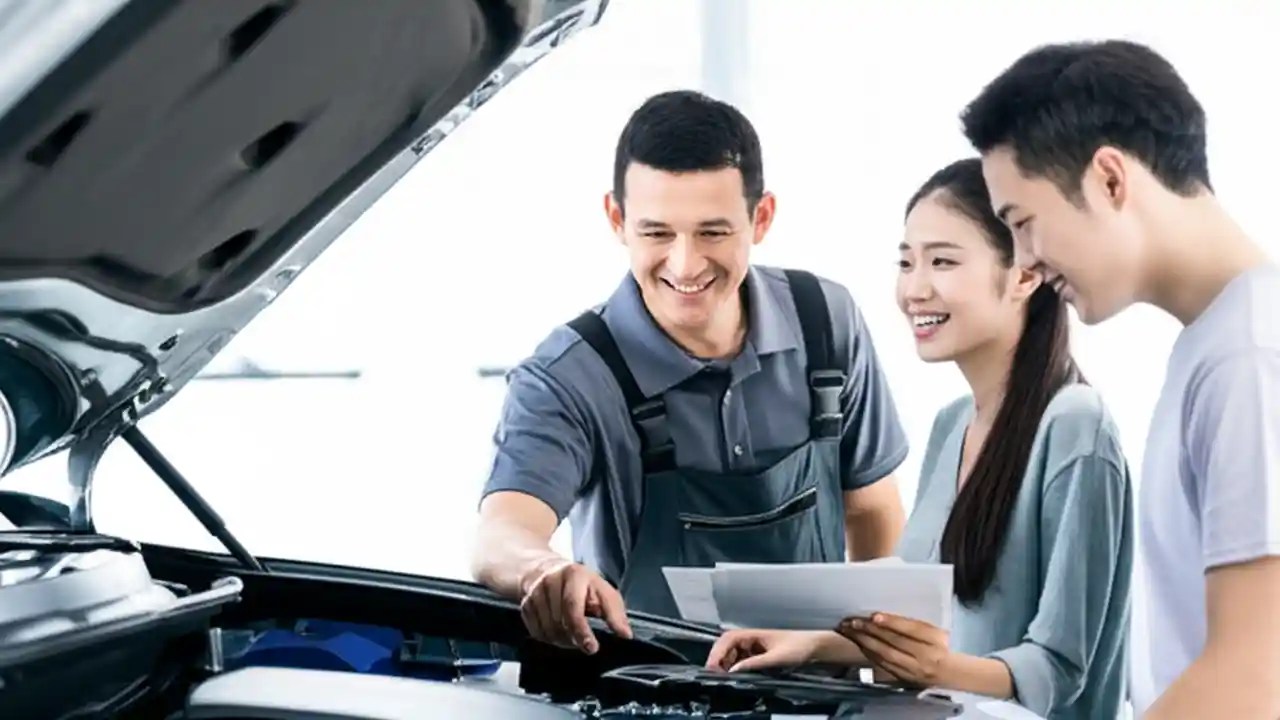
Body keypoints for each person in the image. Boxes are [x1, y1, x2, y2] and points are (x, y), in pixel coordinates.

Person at [470, 90, 910, 655]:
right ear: (616, 219)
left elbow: (872, 511)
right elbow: (501, 532)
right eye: (657, 233)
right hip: (644, 697)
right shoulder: (568, 375)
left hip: (821, 694)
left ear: (762, 217)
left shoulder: (827, 323)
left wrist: (884, 663)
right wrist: (540, 569)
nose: (684, 264)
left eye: (712, 232)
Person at [706, 158, 1134, 720]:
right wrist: (807, 643)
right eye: (906, 262)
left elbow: (1058, 669)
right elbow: (922, 623)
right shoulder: (952, 423)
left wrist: (939, 669)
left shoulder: (1076, 425)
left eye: (943, 261)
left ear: (1025, 274)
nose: (915, 289)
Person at [958, 40, 1280, 719]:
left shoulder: (1249, 355)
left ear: (1110, 179)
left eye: (1023, 223)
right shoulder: (1218, 344)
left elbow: (1254, 677)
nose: (1025, 262)